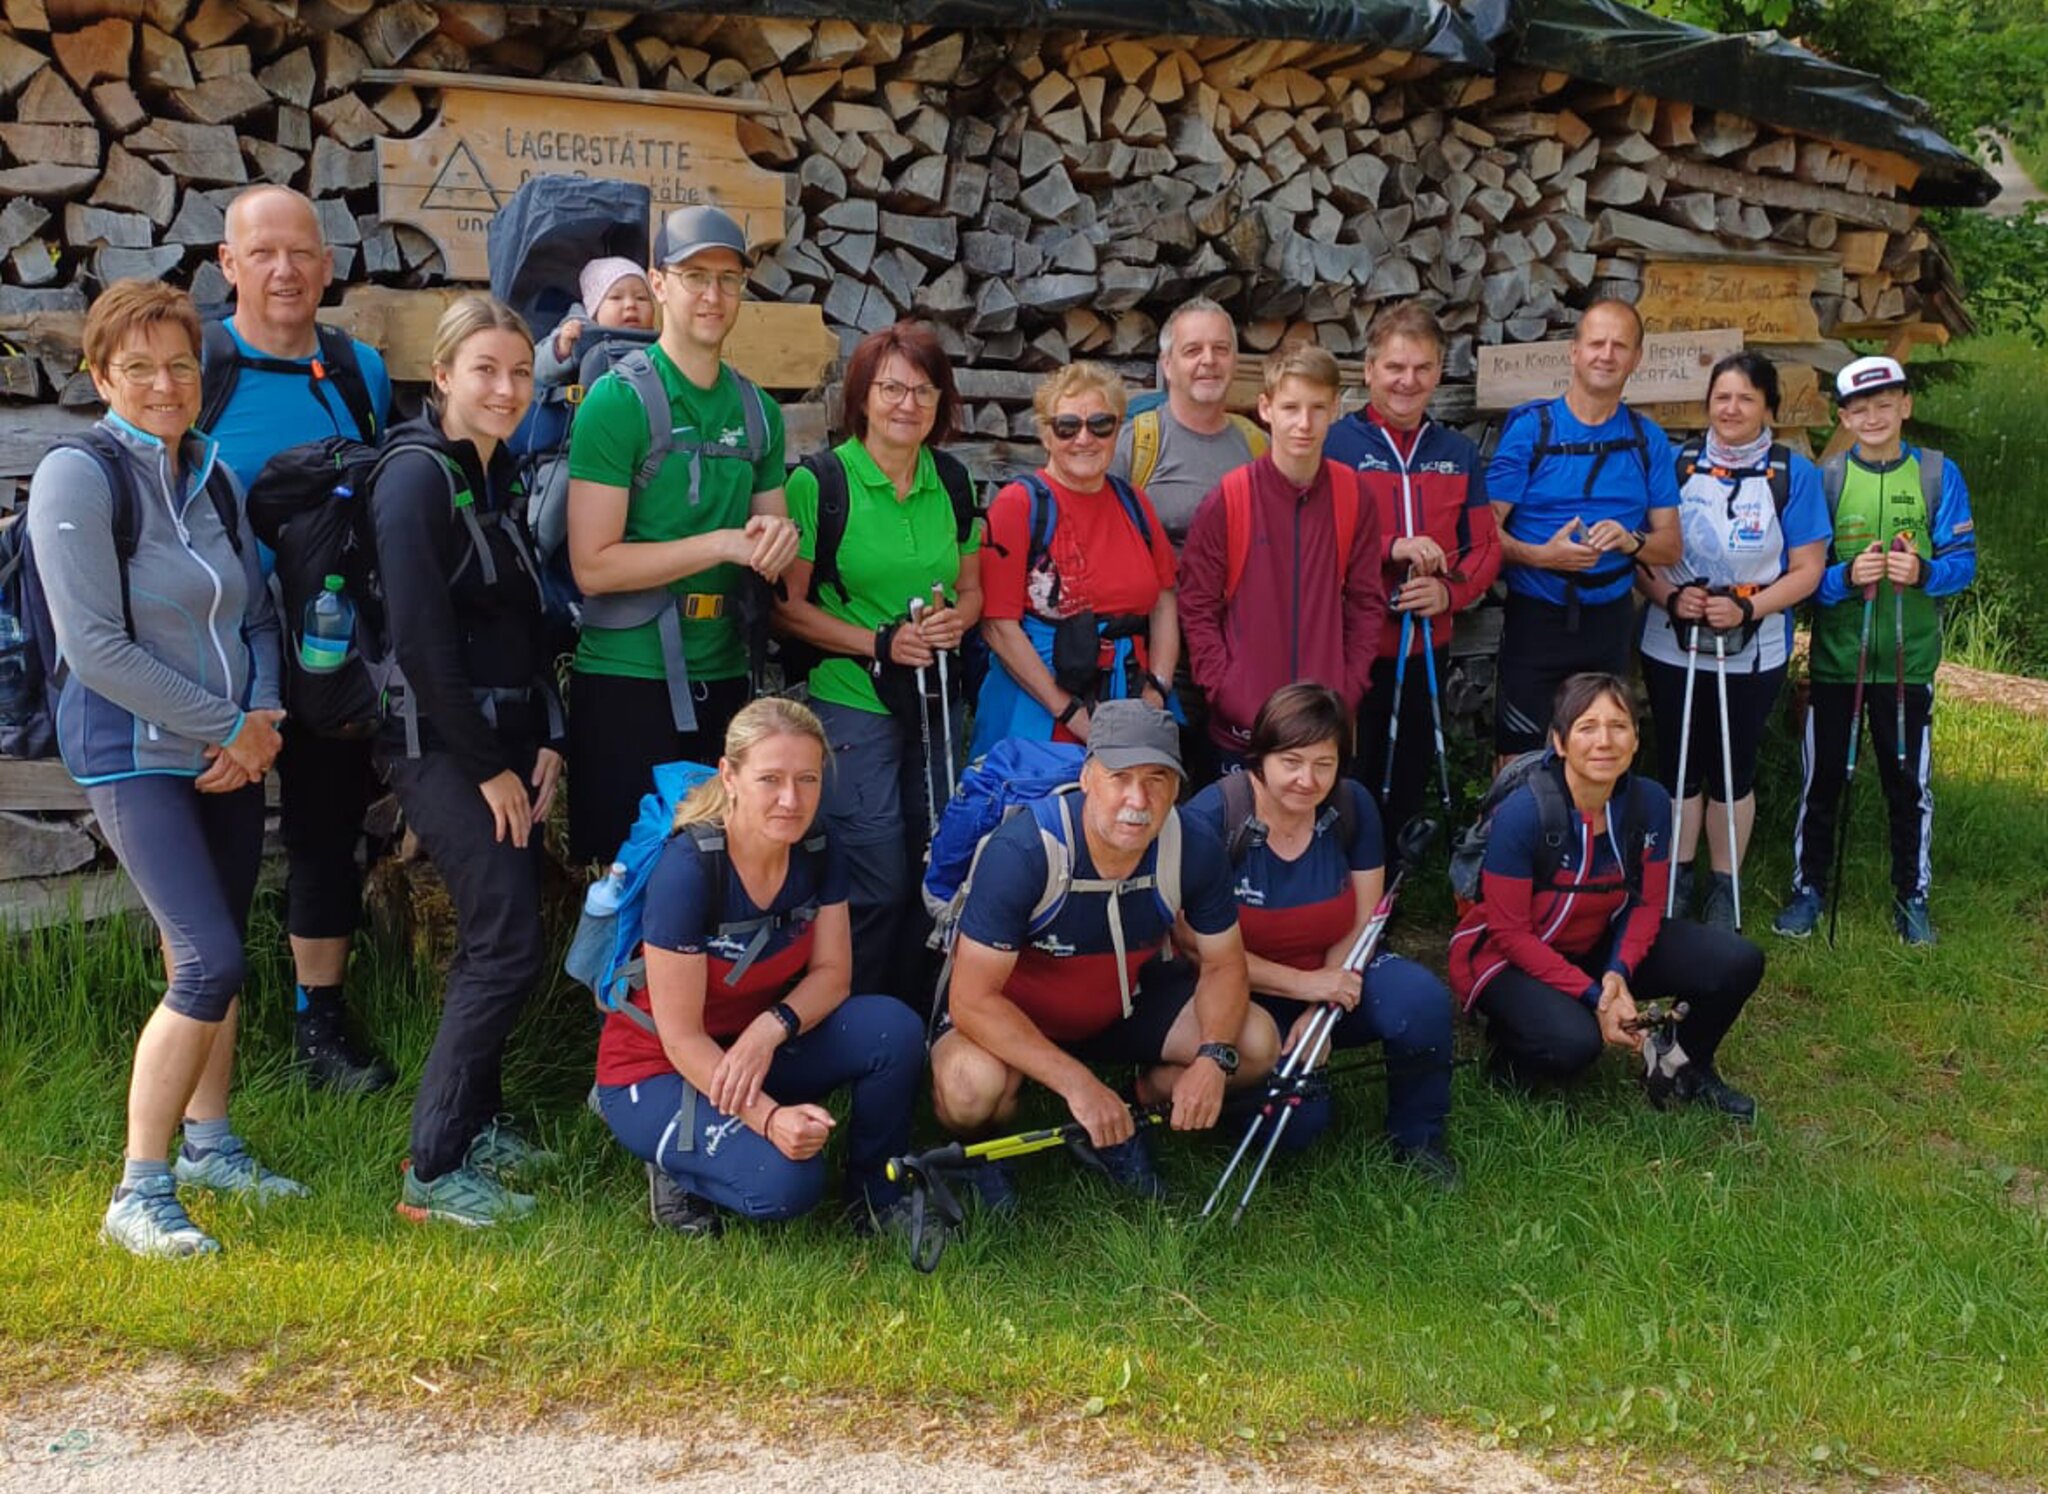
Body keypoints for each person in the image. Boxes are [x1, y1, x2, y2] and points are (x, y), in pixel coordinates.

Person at [29, 281, 294, 1256]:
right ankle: (137, 1192)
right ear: (101, 377)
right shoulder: (79, 475)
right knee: (209, 958)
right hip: (133, 753)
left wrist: (260, 717)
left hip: (229, 749)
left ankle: (211, 1146)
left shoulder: (212, 477)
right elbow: (94, 647)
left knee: (214, 954)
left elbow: (256, 612)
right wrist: (229, 727)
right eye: (137, 367)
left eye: (179, 364)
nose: (163, 384)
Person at [372, 295, 567, 1226]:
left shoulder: (496, 475)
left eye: (521, 372)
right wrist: (488, 766)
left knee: (504, 929)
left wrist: (547, 740)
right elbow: (420, 644)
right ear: (442, 375)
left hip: (504, 742)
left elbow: (524, 626)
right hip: (441, 746)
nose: (506, 388)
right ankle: (434, 1167)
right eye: (485, 369)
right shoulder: (414, 480)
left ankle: (478, 1122)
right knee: (505, 941)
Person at [592, 698, 925, 1237]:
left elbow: (833, 974)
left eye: (807, 779)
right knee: (787, 1184)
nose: (791, 800)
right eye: (770, 779)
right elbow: (681, 1038)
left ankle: (876, 1195)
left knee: (893, 1027)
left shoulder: (818, 845)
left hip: (747, 1044)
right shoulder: (690, 869)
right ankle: (674, 1163)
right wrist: (768, 1118)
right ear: (730, 776)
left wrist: (769, 1030)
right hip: (657, 1066)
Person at [931, 701, 1278, 1204]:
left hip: (1122, 1005)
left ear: (1176, 788)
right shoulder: (1025, 851)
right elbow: (971, 1000)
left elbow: (1224, 963)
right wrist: (1078, 1084)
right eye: (1120, 777)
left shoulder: (1193, 845)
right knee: (969, 1088)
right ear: (1088, 777)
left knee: (1256, 1043)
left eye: (1157, 779)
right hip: (1016, 1016)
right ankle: (984, 1150)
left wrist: (1212, 1056)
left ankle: (1136, 1108)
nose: (1138, 799)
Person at [206, 184, 397, 1094]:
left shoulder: (360, 371)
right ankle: (203, 1020)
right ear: (228, 265)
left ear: (327, 265)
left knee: (327, 830)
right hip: (218, 653)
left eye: (301, 253)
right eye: (263, 253)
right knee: (216, 837)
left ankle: (319, 1022)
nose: (284, 271)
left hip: (330, 649)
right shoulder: (200, 364)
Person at [565, 204, 798, 865]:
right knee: (627, 876)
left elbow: (774, 548)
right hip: (626, 675)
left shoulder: (760, 412)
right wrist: (722, 544)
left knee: (715, 872)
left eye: (728, 279)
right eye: (696, 276)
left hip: (725, 670)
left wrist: (779, 541)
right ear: (659, 283)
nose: (713, 295)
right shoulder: (616, 402)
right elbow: (592, 566)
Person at [775, 322, 982, 997]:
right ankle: (854, 1016)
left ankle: (924, 1014)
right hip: (852, 700)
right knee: (876, 878)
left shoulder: (952, 482)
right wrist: (879, 644)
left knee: (938, 861)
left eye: (924, 391)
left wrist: (956, 620)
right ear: (862, 397)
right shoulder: (821, 484)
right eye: (891, 388)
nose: (907, 404)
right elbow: (785, 608)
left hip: (935, 699)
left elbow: (973, 589)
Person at [1182, 684, 1457, 1187]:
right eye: (1291, 762)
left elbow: (1365, 918)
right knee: (1299, 1128)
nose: (1307, 780)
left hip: (1334, 975)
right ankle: (1232, 1096)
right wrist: (1303, 986)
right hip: (1244, 993)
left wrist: (1324, 1008)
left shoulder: (1352, 807)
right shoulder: (1214, 817)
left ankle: (1419, 1137)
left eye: (1323, 765)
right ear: (1260, 756)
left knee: (1421, 1001)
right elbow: (1189, 942)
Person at [1449, 674, 1762, 1115]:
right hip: (1509, 957)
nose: (1604, 741)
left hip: (1595, 942)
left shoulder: (1650, 802)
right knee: (1574, 1042)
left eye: (1618, 726)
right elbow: (1509, 933)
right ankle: (1511, 1047)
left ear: (1635, 740)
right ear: (1560, 742)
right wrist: (1595, 998)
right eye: (1587, 727)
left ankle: (1684, 1065)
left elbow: (1647, 904)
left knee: (1738, 960)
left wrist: (1617, 973)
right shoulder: (1525, 813)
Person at [1773, 356, 1978, 946]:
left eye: (1885, 405)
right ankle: (1808, 890)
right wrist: (1844, 577)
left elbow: (1963, 565)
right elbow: (1804, 575)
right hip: (1838, 662)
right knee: (1822, 781)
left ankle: (1912, 897)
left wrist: (1923, 572)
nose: (1873, 417)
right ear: (1843, 417)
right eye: (1859, 409)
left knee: (1907, 784)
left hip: (1909, 664)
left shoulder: (1937, 474)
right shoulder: (1828, 479)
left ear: (1905, 406)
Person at [1636, 352, 1828, 929]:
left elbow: (1808, 569)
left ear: (1769, 407)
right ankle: (1676, 877)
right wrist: (1671, 597)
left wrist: (1746, 608)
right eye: (1722, 397)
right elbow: (1641, 554)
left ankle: (1725, 884)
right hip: (1672, 637)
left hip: (1754, 644)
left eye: (1747, 398)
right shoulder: (1677, 465)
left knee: (1732, 764)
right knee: (1678, 760)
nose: (1732, 409)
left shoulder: (1793, 474)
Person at [1325, 304, 1501, 840]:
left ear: (1439, 371)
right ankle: (1336, 868)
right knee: (1344, 768)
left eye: (1423, 368)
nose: (1408, 381)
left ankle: (1393, 869)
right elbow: (1316, 538)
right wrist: (1390, 547)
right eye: (1395, 367)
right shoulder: (1335, 445)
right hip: (1347, 646)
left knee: (1408, 770)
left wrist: (1449, 594)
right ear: (1369, 370)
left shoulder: (1457, 452)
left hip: (1424, 645)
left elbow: (1484, 547)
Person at [1484, 300, 1682, 762]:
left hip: (1608, 621)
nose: (1606, 355)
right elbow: (1484, 532)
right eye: (1596, 343)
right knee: (1518, 759)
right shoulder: (1532, 429)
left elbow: (1671, 546)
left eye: (1620, 346)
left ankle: (1594, 816)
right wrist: (1542, 556)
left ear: (1636, 359)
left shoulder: (1647, 439)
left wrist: (1632, 541)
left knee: (1601, 754)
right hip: (1537, 618)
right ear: (1574, 352)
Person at [1178, 343, 1383, 770]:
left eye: (1317, 408)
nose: (1304, 423)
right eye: (1290, 407)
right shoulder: (1230, 498)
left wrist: (1347, 687)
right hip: (1243, 727)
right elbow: (1197, 605)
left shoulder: (1353, 496)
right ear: (1265, 408)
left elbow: (1366, 603)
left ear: (1335, 409)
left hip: (1323, 724)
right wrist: (1227, 690)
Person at [969, 364, 1178, 759]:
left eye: (1101, 424)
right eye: (1067, 426)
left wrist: (1158, 687)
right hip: (1038, 708)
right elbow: (998, 626)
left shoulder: (1133, 502)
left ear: (1117, 430)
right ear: (1046, 435)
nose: (1084, 438)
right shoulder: (1019, 505)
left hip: (1130, 700)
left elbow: (1165, 599)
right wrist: (1070, 714)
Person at [1109, 297, 1268, 546]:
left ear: (1235, 361)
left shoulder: (1259, 446)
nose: (1209, 360)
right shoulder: (1131, 445)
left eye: (1221, 349)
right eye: (1193, 350)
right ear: (1167, 365)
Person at [533, 256, 656, 392]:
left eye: (641, 298)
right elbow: (536, 369)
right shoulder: (577, 334)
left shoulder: (661, 342)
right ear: (594, 309)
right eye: (616, 298)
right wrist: (561, 349)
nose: (631, 304)